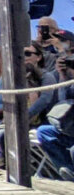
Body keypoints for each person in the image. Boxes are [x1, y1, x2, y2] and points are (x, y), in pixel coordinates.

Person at [30, 53, 74, 181]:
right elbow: (62, 101)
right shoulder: (70, 81)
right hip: (70, 129)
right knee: (44, 132)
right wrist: (62, 76)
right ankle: (67, 170)